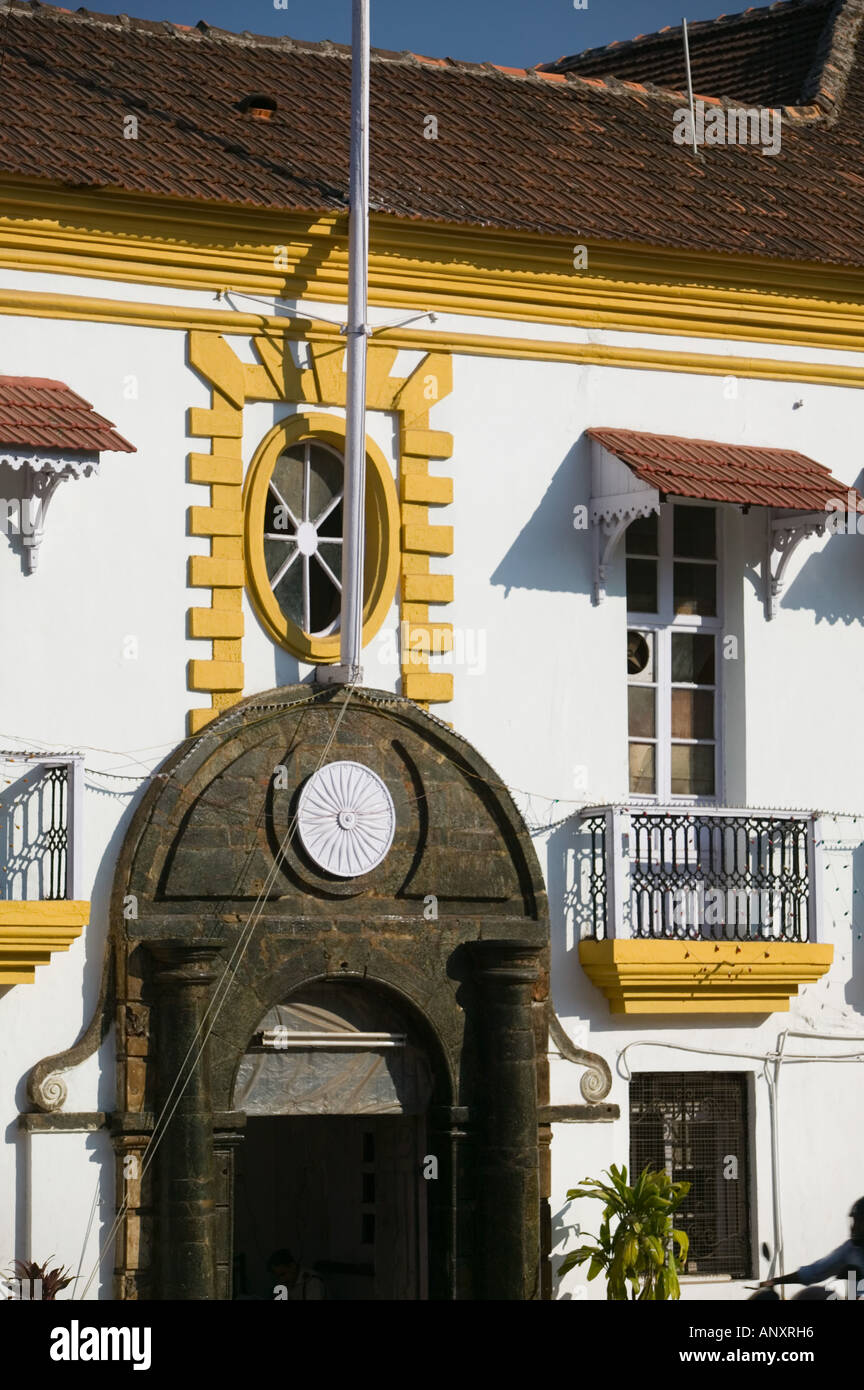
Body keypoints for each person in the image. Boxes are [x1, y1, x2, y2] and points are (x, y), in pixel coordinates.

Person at [759, 1197, 864, 1296]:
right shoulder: (850, 1250)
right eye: (854, 1221)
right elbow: (816, 1271)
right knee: (813, 1294)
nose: (854, 1227)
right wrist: (775, 1281)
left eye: (859, 1223)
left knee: (851, 1273)